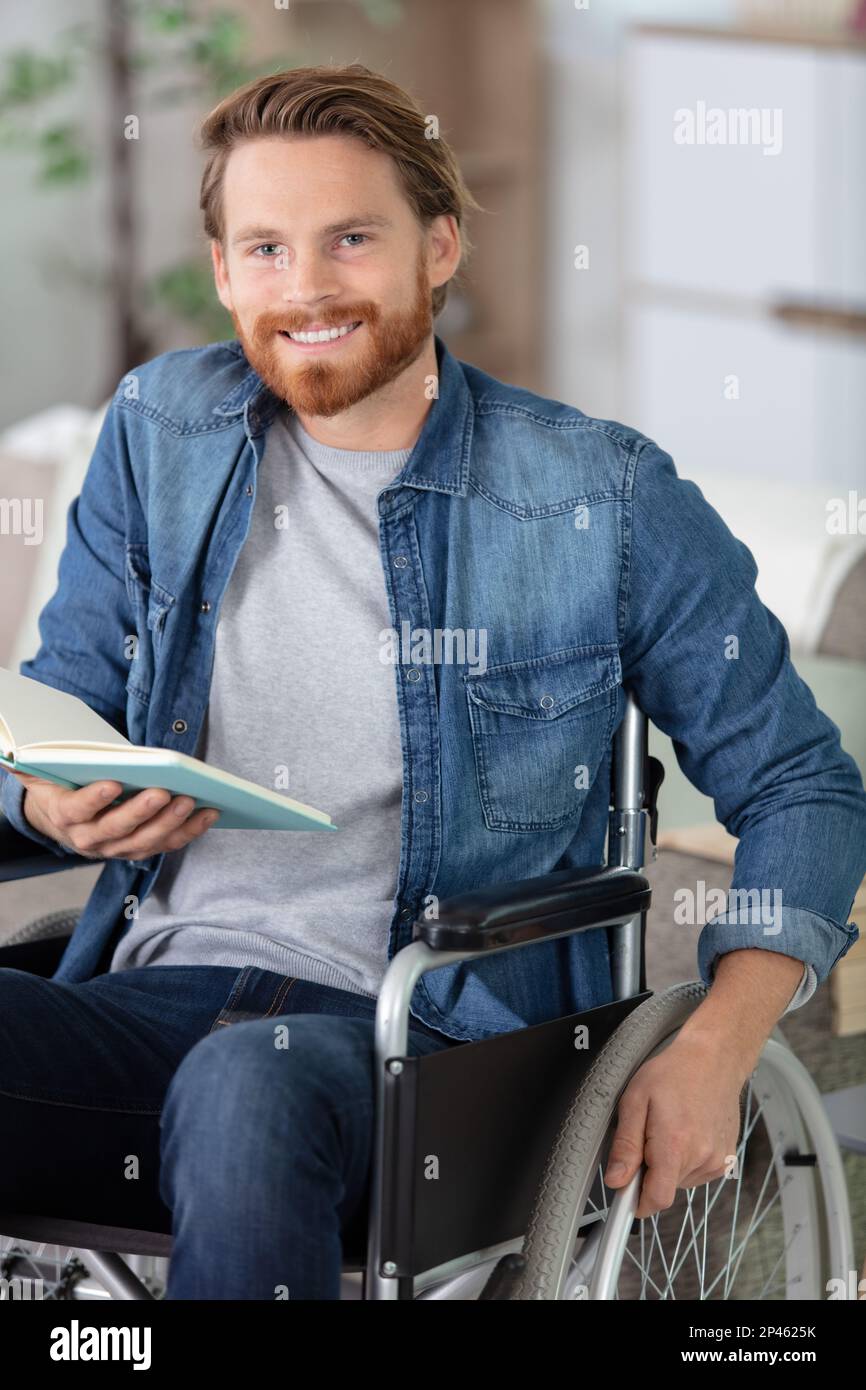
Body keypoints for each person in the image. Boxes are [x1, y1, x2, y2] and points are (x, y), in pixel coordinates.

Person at [1, 64, 864, 1301]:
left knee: (247, 1086)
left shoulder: (599, 494)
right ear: (225, 268)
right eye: (264, 248)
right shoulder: (161, 428)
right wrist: (50, 801)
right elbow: (58, 711)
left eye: (350, 238)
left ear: (438, 245)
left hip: (433, 1044)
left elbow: (801, 784)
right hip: (153, 997)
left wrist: (718, 1040)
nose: (303, 288)